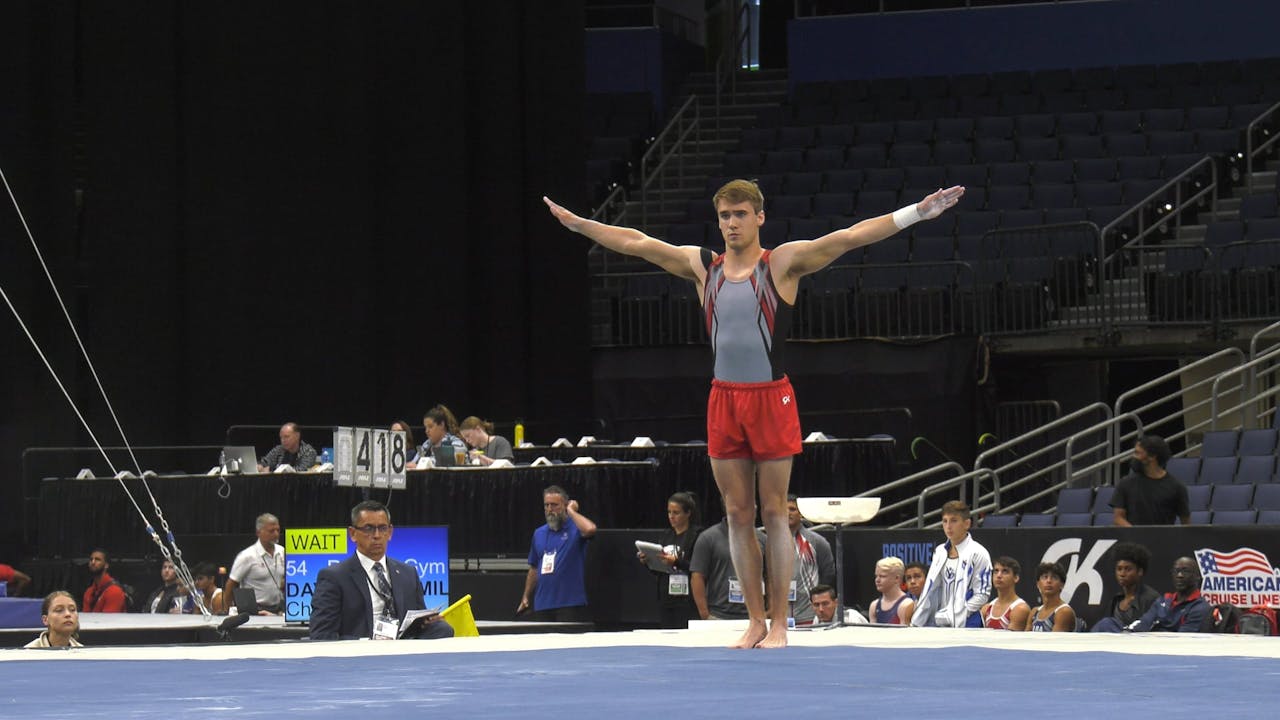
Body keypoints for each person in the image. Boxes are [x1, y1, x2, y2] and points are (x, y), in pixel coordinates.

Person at [545, 181, 965, 648]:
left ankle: (781, 623)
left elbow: (848, 237)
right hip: (723, 399)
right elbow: (637, 243)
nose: (731, 224)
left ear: (759, 217)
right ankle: (755, 622)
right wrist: (581, 224)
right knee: (737, 513)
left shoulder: (781, 264)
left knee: (773, 512)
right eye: (724, 215)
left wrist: (916, 214)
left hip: (771, 398)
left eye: (740, 214)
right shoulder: (703, 267)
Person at [310, 500, 454, 640]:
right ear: (353, 534)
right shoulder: (334, 576)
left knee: (442, 629)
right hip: (361, 653)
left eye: (383, 528)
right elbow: (321, 635)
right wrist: (369, 643)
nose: (377, 535)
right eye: (368, 528)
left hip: (403, 647)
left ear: (390, 532)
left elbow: (419, 622)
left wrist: (428, 622)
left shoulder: (408, 573)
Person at [517, 485, 597, 622]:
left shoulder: (575, 528)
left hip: (569, 603)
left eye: (554, 505)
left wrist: (571, 511)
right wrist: (526, 596)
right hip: (543, 602)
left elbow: (590, 529)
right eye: (546, 505)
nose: (549, 509)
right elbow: (534, 568)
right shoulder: (539, 533)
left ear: (565, 506)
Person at [910, 501, 992, 628]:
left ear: (967, 523)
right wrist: (919, 618)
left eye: (954, 521)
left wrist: (954, 614)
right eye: (945, 521)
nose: (948, 526)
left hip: (968, 623)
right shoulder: (940, 552)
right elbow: (931, 589)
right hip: (940, 622)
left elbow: (982, 594)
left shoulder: (979, 553)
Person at [637, 491, 704, 628]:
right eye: (669, 512)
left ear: (688, 513)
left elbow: (698, 568)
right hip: (667, 596)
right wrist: (648, 561)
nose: (671, 517)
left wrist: (676, 562)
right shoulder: (666, 536)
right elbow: (660, 571)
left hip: (687, 599)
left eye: (676, 513)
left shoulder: (696, 536)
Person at [690, 513, 765, 621]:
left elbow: (770, 577)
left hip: (755, 617)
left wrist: (770, 609)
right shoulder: (708, 538)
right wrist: (704, 614)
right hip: (718, 615)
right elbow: (697, 576)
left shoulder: (762, 538)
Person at [1111, 434, 1190, 526]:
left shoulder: (1177, 487)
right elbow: (1118, 518)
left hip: (1164, 539)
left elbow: (1185, 523)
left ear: (1152, 456)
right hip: (1132, 539)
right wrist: (1137, 534)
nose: (1134, 456)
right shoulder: (1125, 483)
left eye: (1138, 453)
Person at [783, 496, 836, 625]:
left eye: (792, 509)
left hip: (809, 615)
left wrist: (818, 606)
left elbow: (828, 576)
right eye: (783, 509)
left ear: (801, 513)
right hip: (780, 616)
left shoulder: (817, 542)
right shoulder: (771, 542)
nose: (787, 513)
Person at [1129, 556, 1212, 633]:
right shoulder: (1163, 601)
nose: (1180, 575)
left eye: (1186, 571)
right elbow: (1143, 623)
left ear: (1197, 576)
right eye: (1176, 571)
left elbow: (1182, 640)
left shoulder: (1200, 607)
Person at [223, 513, 285, 615]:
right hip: (255, 610)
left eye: (278, 530)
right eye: (271, 531)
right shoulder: (247, 556)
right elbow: (231, 584)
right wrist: (226, 611)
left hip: (278, 609)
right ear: (258, 532)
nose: (276, 534)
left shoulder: (282, 552)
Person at [1092, 542, 1161, 632]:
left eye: (1127, 569)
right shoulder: (1116, 600)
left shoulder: (1151, 598)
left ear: (1140, 571)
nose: (1122, 574)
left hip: (1138, 642)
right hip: (1114, 643)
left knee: (1106, 623)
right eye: (1119, 569)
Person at [981, 556, 1030, 631]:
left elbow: (1012, 641)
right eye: (996, 571)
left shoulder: (1020, 609)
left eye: (1005, 571)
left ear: (1016, 578)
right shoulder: (986, 608)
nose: (999, 575)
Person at [1027, 561, 1077, 632]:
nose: (1049, 581)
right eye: (1045, 577)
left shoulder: (1064, 612)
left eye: (1054, 578)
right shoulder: (1034, 612)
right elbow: (1025, 639)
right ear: (1038, 584)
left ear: (1062, 585)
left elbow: (1054, 642)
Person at [868, 557, 915, 625]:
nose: (877, 580)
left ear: (896, 578)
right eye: (876, 576)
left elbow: (905, 635)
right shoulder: (874, 606)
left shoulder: (905, 605)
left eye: (882, 576)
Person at [82, 548, 128, 613]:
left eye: (97, 559)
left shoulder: (114, 591)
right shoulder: (88, 592)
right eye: (91, 559)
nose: (93, 562)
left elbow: (109, 621)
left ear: (106, 565)